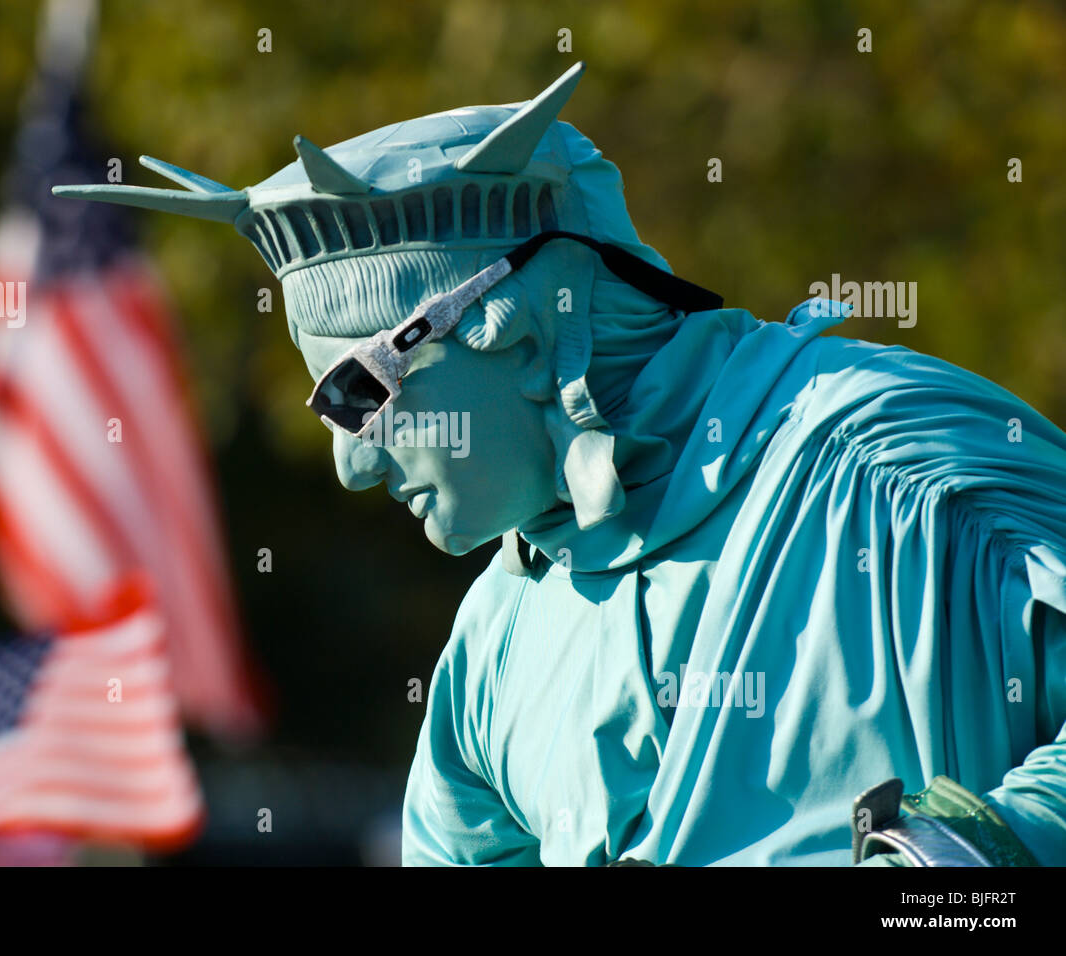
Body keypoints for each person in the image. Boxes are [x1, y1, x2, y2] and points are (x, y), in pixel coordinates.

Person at [55, 62, 1066, 866]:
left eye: (356, 393)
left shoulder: (891, 469)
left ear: (528, 330)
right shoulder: (489, 654)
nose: (349, 468)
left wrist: (983, 850)